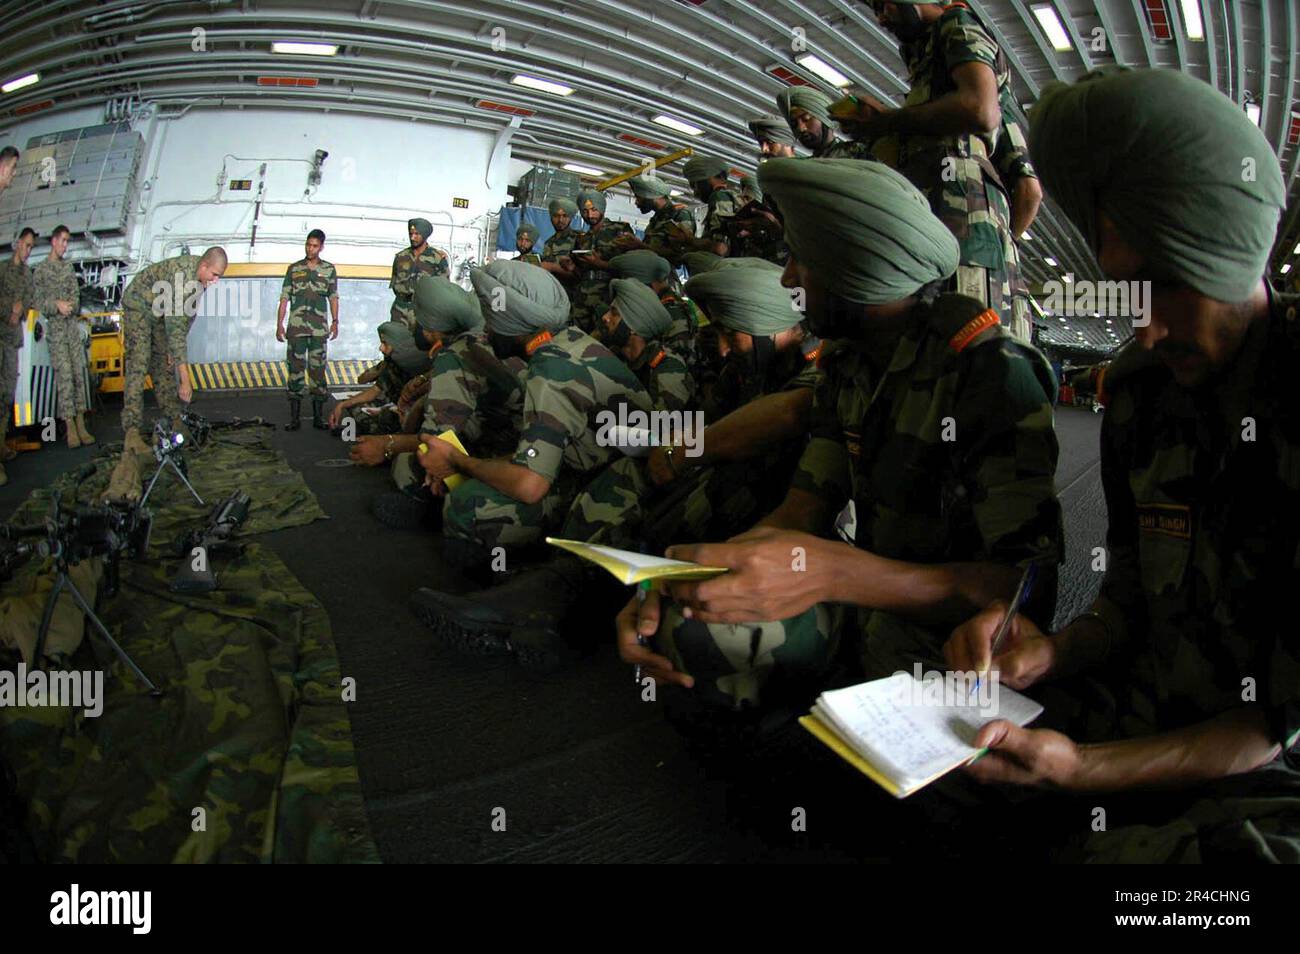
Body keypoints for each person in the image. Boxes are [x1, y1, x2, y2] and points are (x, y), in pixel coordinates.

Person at [940, 67, 1300, 863]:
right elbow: (1128, 601)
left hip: (1259, 756)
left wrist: (1082, 772)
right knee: (954, 766)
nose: (1142, 332)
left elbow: (1270, 725)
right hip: (1148, 700)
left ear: (1229, 258)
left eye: (1161, 288)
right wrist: (1052, 650)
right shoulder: (1143, 394)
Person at [617, 158, 1062, 726]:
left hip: (953, 637)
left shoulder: (991, 372)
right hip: (866, 599)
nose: (787, 280)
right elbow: (803, 506)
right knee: (694, 622)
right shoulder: (849, 364)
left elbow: (1022, 585)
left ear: (858, 270)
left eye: (803, 262)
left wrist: (831, 573)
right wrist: (692, 578)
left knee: (966, 785)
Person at [422, 260, 824, 669]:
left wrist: (683, 452)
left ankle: (571, 602)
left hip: (786, 512)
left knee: (702, 491)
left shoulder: (819, 365)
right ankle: (566, 594)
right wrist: (656, 444)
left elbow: (788, 413)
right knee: (631, 478)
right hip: (717, 490)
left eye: (732, 338)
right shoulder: (746, 367)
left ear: (772, 326)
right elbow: (698, 422)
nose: (722, 350)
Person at [408, 261, 652, 661]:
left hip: (622, 490)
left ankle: (534, 607)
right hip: (609, 472)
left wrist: (455, 460)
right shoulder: (570, 342)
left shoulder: (552, 370)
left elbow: (530, 484)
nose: (486, 330)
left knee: (472, 506)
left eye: (492, 319)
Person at [842, 0, 1028, 341]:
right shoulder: (930, 50)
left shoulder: (955, 23)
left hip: (963, 212)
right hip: (943, 214)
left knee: (966, 339)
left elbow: (979, 109)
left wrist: (887, 121)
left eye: (885, 5)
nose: (881, 17)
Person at [367, 273, 525, 527]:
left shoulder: (453, 356)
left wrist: (387, 445)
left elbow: (436, 437)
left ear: (431, 327)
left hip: (508, 453)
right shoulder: (480, 341)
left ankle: (432, 506)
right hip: (518, 441)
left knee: (407, 465)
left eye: (419, 318)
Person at [119, 248, 227, 452]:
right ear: (204, 266)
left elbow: (187, 318)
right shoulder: (183, 280)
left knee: (164, 367)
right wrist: (185, 380)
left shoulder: (200, 281)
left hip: (159, 313)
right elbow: (175, 329)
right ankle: (131, 433)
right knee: (139, 365)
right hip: (139, 306)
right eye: (214, 275)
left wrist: (172, 351)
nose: (215, 280)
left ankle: (174, 420)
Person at [33, 225, 92, 447]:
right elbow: (38, 302)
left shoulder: (68, 268)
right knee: (64, 377)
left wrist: (70, 306)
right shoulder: (41, 270)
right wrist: (56, 305)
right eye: (63, 241)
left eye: (68, 241)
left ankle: (81, 424)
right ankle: (70, 428)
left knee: (79, 374)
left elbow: (76, 298)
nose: (65, 246)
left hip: (72, 329)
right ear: (54, 241)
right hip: (56, 331)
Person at [276, 229, 338, 431]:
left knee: (318, 372)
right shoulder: (294, 269)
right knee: (295, 371)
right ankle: (294, 419)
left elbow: (333, 297)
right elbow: (284, 298)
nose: (310, 249)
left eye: (314, 246)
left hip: (319, 330)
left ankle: (318, 418)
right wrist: (279, 324)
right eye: (308, 245)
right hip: (296, 329)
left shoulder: (329, 269)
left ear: (321, 247)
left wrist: (336, 321)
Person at [328, 320, 432, 435]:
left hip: (415, 413)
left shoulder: (421, 366)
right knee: (353, 404)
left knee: (385, 417)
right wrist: (342, 405)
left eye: (385, 343)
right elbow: (374, 390)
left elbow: (421, 403)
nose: (381, 348)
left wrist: (387, 410)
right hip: (399, 408)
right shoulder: (392, 363)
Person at [569, 189, 640, 331]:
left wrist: (600, 264)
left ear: (602, 208)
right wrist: (570, 266)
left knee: (603, 335)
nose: (590, 215)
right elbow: (578, 270)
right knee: (577, 335)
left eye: (594, 209)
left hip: (607, 295)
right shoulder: (582, 238)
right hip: (582, 296)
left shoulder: (619, 229)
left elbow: (630, 265)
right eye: (584, 211)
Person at [0, 227, 35, 486]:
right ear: (17, 244)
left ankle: (0, 442)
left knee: (6, 394)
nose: (28, 251)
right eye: (26, 245)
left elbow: (31, 299)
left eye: (32, 247)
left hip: (13, 341)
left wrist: (20, 309)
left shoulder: (27, 275)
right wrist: (8, 310)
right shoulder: (2, 270)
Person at [776, 88, 878, 161]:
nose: (801, 128)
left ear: (824, 118)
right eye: (794, 124)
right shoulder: (802, 168)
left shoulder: (856, 152)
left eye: (806, 119)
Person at [389, 218, 449, 329]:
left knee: (422, 344)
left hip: (424, 311)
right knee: (397, 342)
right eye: (411, 234)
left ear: (425, 235)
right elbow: (394, 283)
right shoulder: (401, 257)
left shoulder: (437, 258)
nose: (412, 237)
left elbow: (444, 289)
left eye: (417, 234)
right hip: (400, 310)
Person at [629, 174, 696, 267]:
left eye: (638, 197)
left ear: (651, 195)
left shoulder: (679, 215)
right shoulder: (656, 219)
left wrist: (640, 246)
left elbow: (679, 254)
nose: (636, 202)